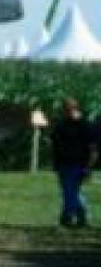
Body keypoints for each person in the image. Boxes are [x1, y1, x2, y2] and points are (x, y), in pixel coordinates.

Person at [51, 97, 97, 228]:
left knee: (72, 191)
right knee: (69, 191)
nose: (65, 113)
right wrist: (55, 163)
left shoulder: (85, 125)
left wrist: (89, 166)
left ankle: (72, 215)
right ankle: (70, 216)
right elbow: (56, 146)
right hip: (64, 164)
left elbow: (92, 148)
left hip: (79, 164)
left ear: (73, 109)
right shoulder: (61, 126)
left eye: (66, 110)